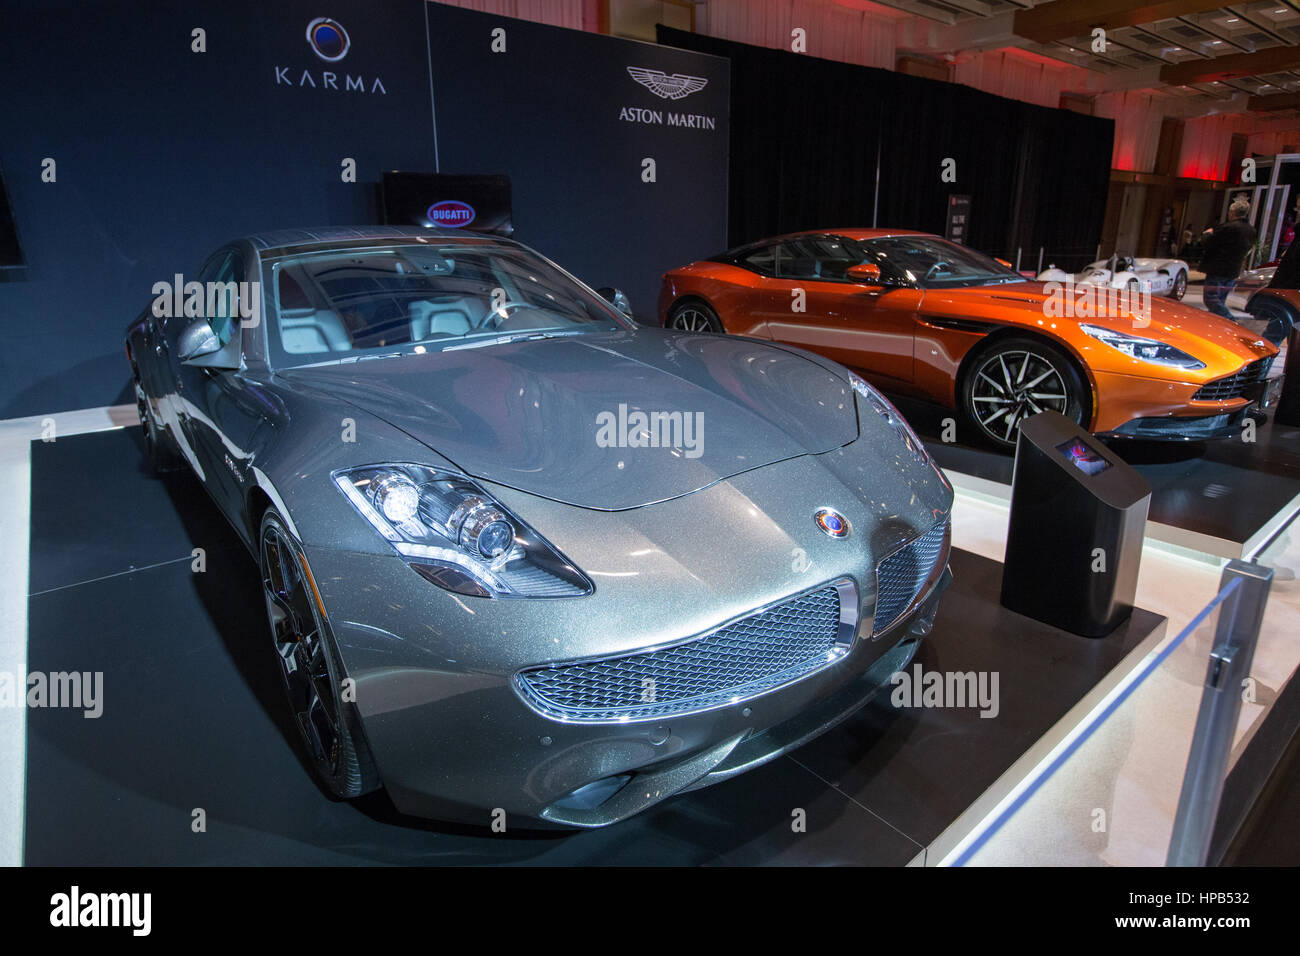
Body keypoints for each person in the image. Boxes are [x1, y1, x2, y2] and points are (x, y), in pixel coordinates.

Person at [1200, 199, 1256, 319]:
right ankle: (1217, 324)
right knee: (1220, 299)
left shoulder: (1227, 227)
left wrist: (1207, 235)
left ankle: (1230, 320)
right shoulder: (1250, 230)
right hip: (1233, 269)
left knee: (1211, 299)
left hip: (1218, 268)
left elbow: (1209, 243)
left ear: (1232, 212)